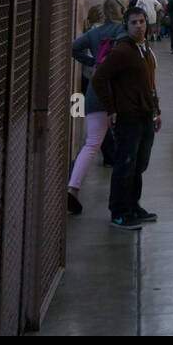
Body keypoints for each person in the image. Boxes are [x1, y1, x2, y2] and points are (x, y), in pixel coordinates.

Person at [90, 8, 160, 230]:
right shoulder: (121, 51)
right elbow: (99, 78)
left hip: (145, 114)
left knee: (139, 164)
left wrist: (156, 110)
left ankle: (133, 205)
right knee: (125, 165)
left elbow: (150, 82)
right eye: (134, 22)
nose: (138, 26)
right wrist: (111, 109)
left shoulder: (145, 48)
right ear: (126, 26)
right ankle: (119, 212)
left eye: (141, 22)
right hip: (128, 116)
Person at [67, 11, 128, 213]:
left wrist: (92, 62)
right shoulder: (123, 32)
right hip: (117, 93)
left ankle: (73, 188)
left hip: (95, 90)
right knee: (126, 146)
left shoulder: (96, 33)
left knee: (91, 144)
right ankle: (123, 201)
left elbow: (74, 48)